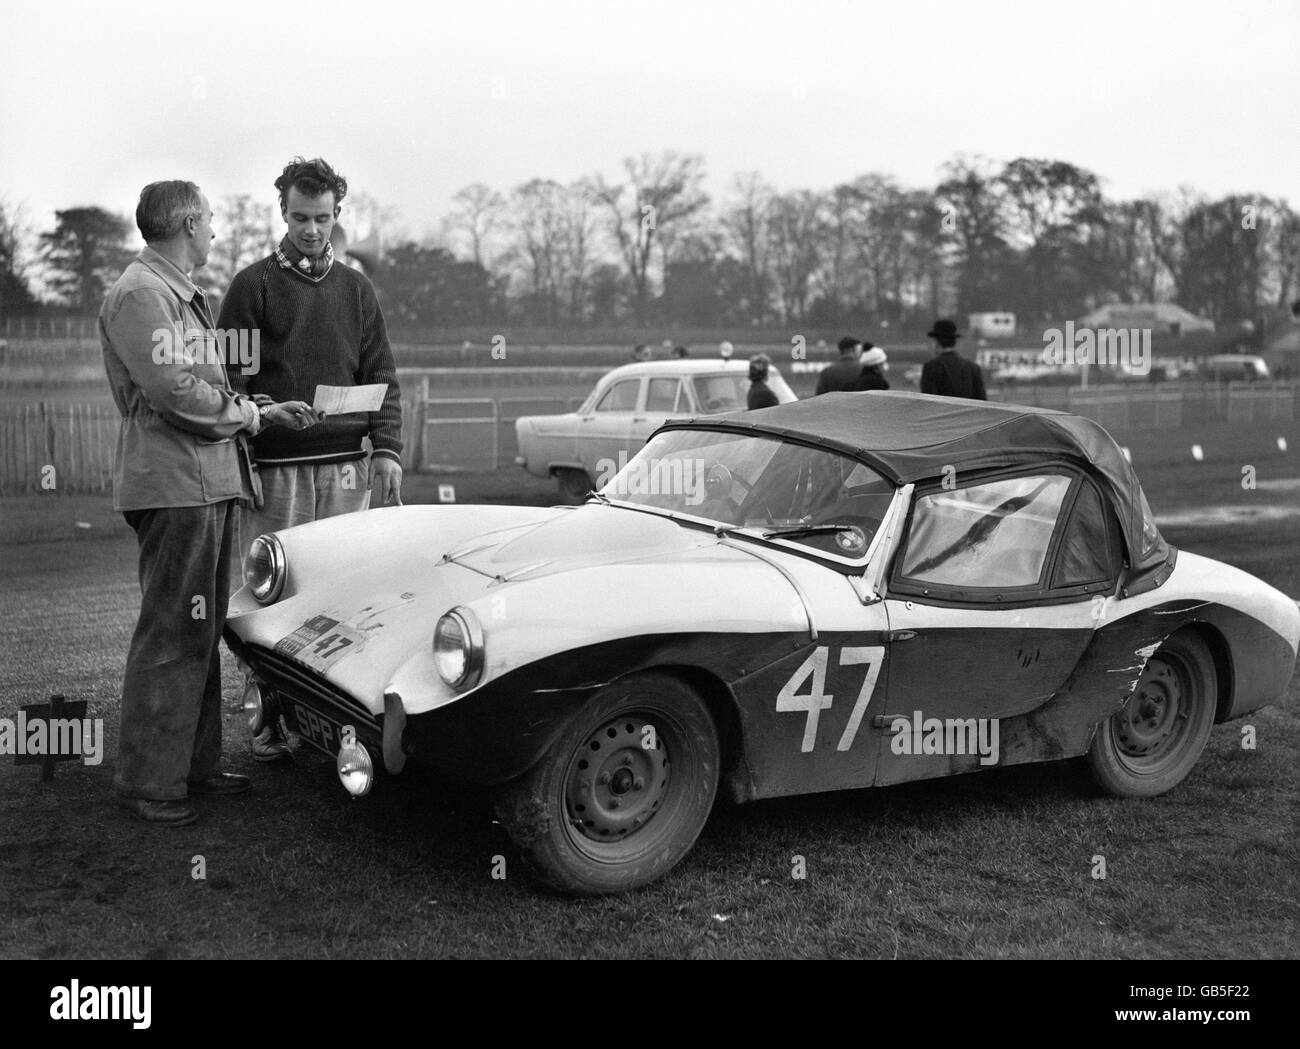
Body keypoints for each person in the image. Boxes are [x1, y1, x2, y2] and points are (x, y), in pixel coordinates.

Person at [101, 180, 320, 825]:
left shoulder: (174, 295)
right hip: (177, 487)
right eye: (212, 220)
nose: (217, 231)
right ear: (188, 223)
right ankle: (149, 782)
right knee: (171, 631)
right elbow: (174, 392)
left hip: (204, 482)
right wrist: (248, 418)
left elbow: (199, 387)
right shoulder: (143, 294)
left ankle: (192, 768)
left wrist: (254, 409)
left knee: (196, 630)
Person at [219, 156, 403, 762]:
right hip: (277, 471)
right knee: (274, 595)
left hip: (348, 466)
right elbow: (225, 382)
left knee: (341, 597)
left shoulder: (356, 288)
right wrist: (268, 408)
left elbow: (381, 376)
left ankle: (332, 717)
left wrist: (389, 452)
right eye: (300, 217)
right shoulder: (252, 286)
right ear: (283, 212)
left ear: (337, 216)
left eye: (322, 218)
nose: (311, 230)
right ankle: (267, 716)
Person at [921, 319, 986, 400]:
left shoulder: (931, 367)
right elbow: (983, 403)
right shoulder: (973, 368)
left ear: (936, 342)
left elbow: (929, 403)